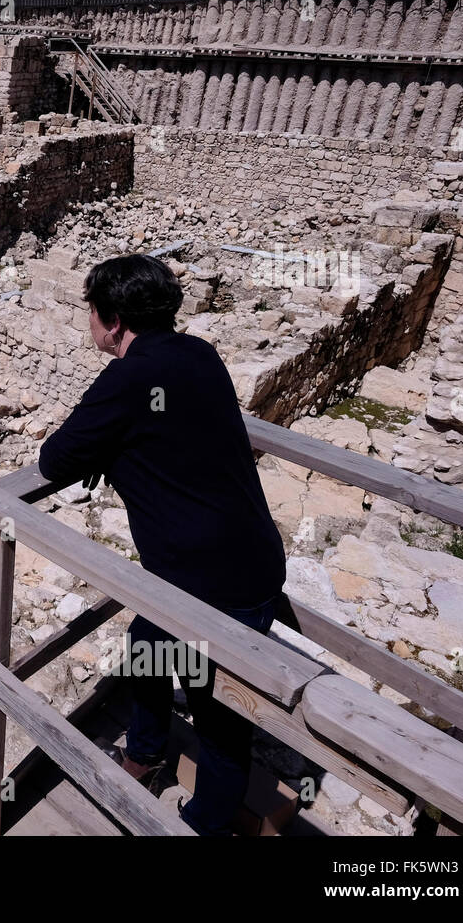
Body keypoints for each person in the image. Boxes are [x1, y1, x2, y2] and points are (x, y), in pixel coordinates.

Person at [36, 253, 289, 836]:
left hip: (209, 589)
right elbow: (170, 430)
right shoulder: (198, 353)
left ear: (114, 320)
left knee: (219, 718)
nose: (89, 324)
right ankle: (146, 754)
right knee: (145, 646)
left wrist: (109, 447)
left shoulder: (127, 379)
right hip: (247, 559)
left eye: (91, 312)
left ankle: (202, 823)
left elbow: (55, 458)